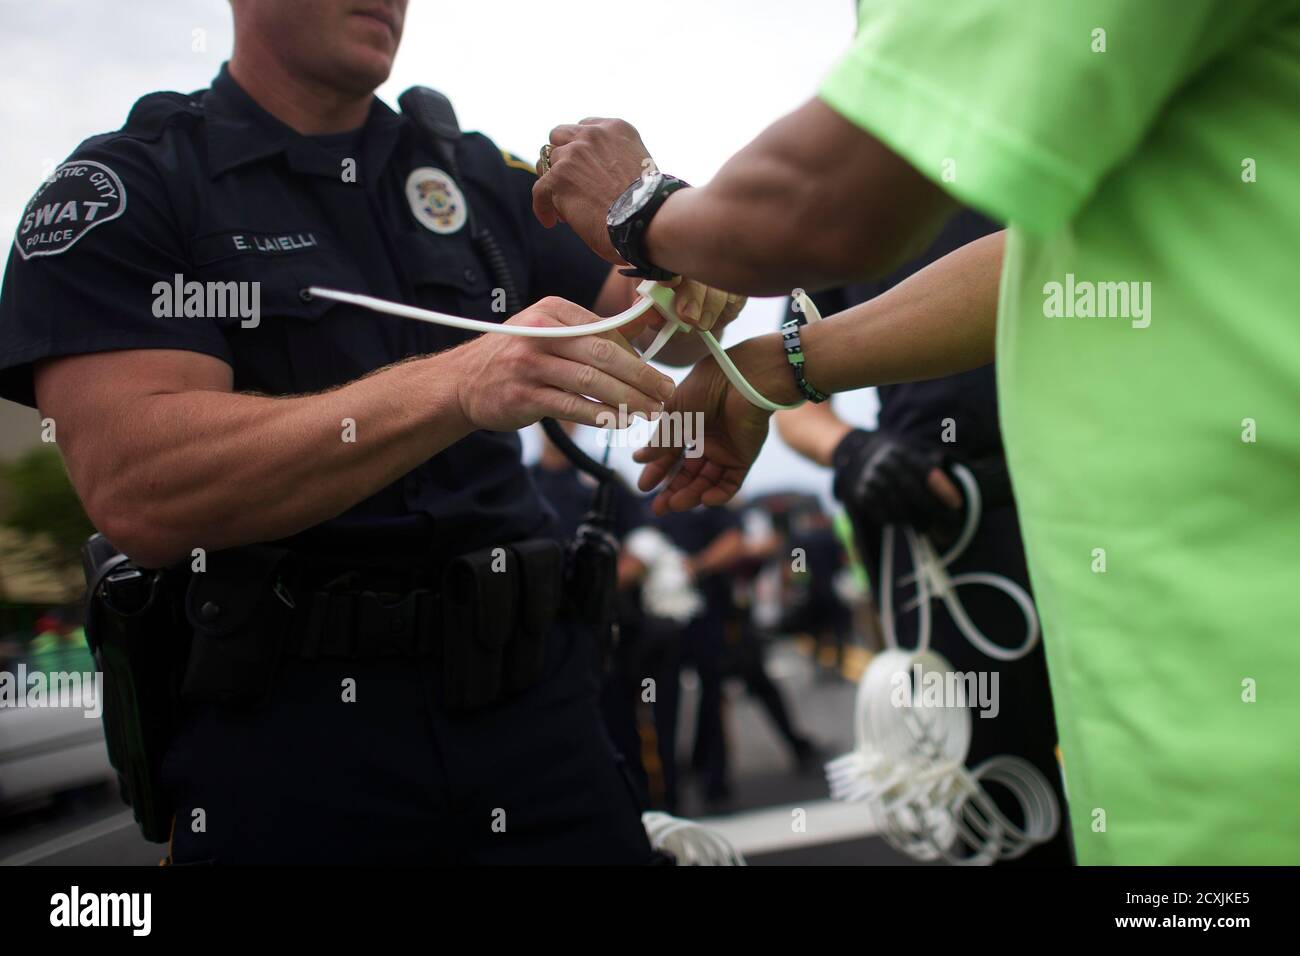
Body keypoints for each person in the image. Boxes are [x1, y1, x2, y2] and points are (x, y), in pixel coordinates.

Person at [532, 0, 1300, 864]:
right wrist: (819, 410)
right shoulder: (1078, 137)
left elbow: (814, 201)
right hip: (1039, 565)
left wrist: (642, 207)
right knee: (997, 816)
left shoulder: (957, 132)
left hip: (1231, 633)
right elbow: (1041, 270)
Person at [0, 0, 745, 864]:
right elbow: (141, 486)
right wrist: (459, 382)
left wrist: (650, 219)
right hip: (293, 743)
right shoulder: (134, 185)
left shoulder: (471, 174)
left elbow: (670, 328)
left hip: (537, 714)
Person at [776, 210, 1074, 865]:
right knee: (989, 782)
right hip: (940, 521)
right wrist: (850, 450)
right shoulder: (853, 192)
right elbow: (791, 394)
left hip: (1090, 490)